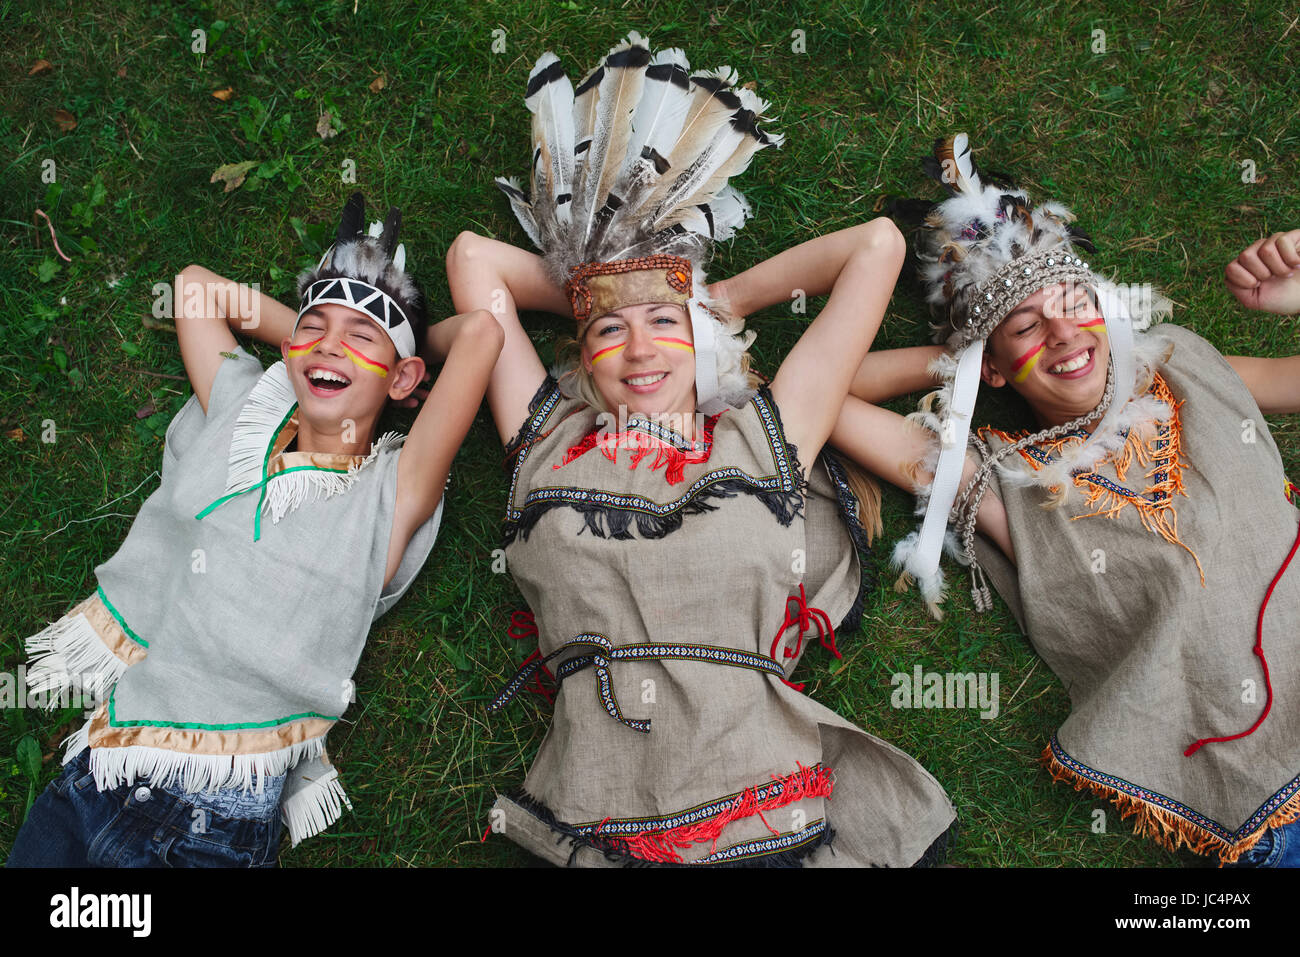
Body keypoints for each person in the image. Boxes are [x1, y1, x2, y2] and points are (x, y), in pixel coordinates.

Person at [442, 34, 954, 867]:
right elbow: (473, 259)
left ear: (702, 343)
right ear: (582, 356)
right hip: (593, 818)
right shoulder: (544, 441)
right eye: (610, 333)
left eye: (663, 327)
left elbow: (877, 248)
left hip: (759, 814)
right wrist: (607, 284)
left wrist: (716, 297)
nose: (641, 348)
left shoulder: (766, 435)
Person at [830, 134, 1300, 865]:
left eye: (1073, 304)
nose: (1062, 333)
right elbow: (820, 393)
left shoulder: (1187, 370)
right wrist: (962, 356)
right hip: (1270, 797)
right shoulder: (998, 478)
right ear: (994, 368)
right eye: (1026, 327)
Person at [7, 193, 504, 866]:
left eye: (360, 338)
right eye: (313, 327)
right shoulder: (244, 409)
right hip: (96, 775)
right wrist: (316, 337)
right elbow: (194, 288)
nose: (330, 344)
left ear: (404, 377)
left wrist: (409, 348)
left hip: (212, 829)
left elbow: (480, 334)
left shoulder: (392, 491)